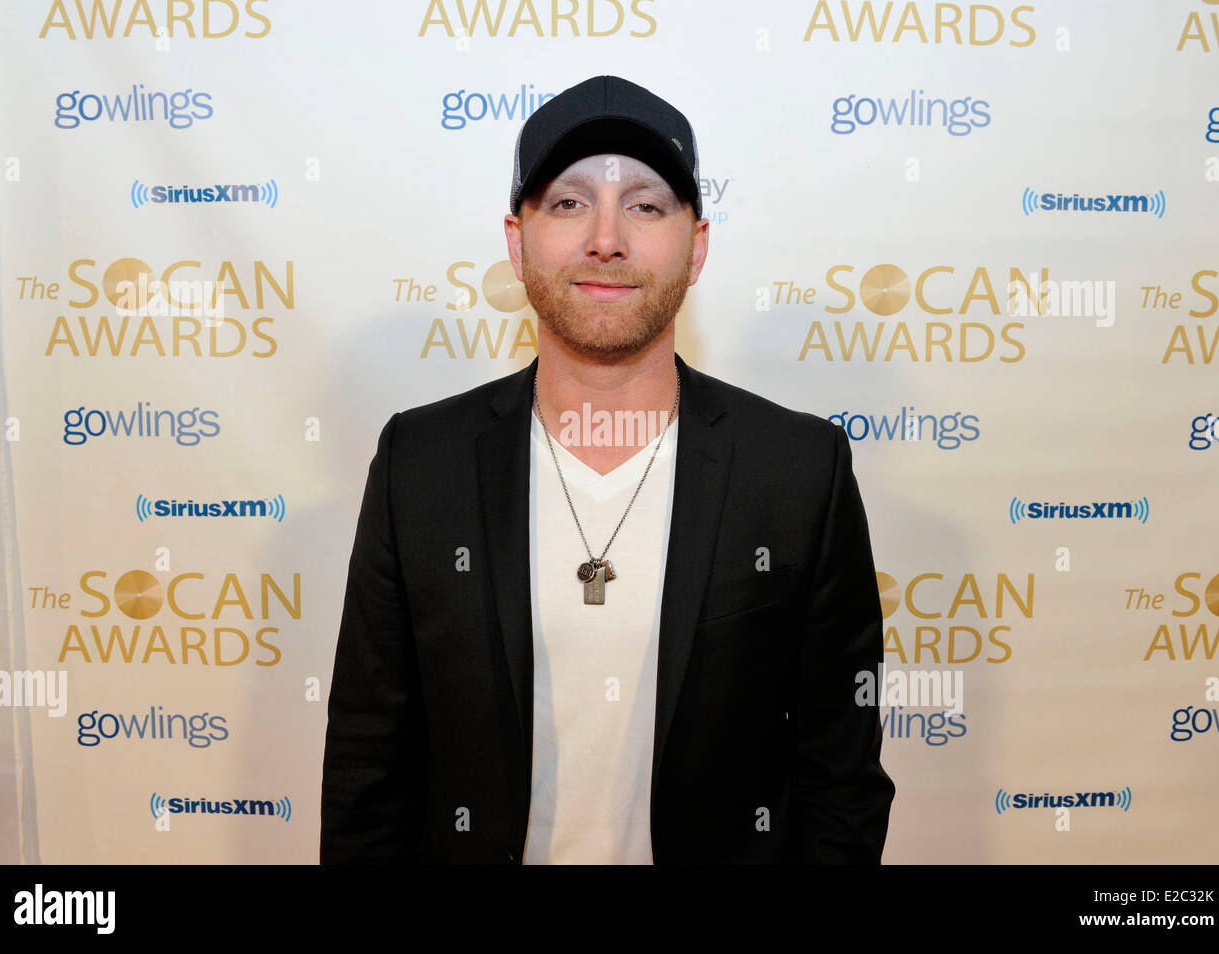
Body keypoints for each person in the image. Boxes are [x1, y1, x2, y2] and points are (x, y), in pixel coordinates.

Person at [320, 75, 893, 864]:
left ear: (697, 248)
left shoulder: (798, 471)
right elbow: (367, 765)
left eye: (647, 205)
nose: (606, 238)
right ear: (517, 243)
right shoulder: (420, 464)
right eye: (568, 202)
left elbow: (840, 778)